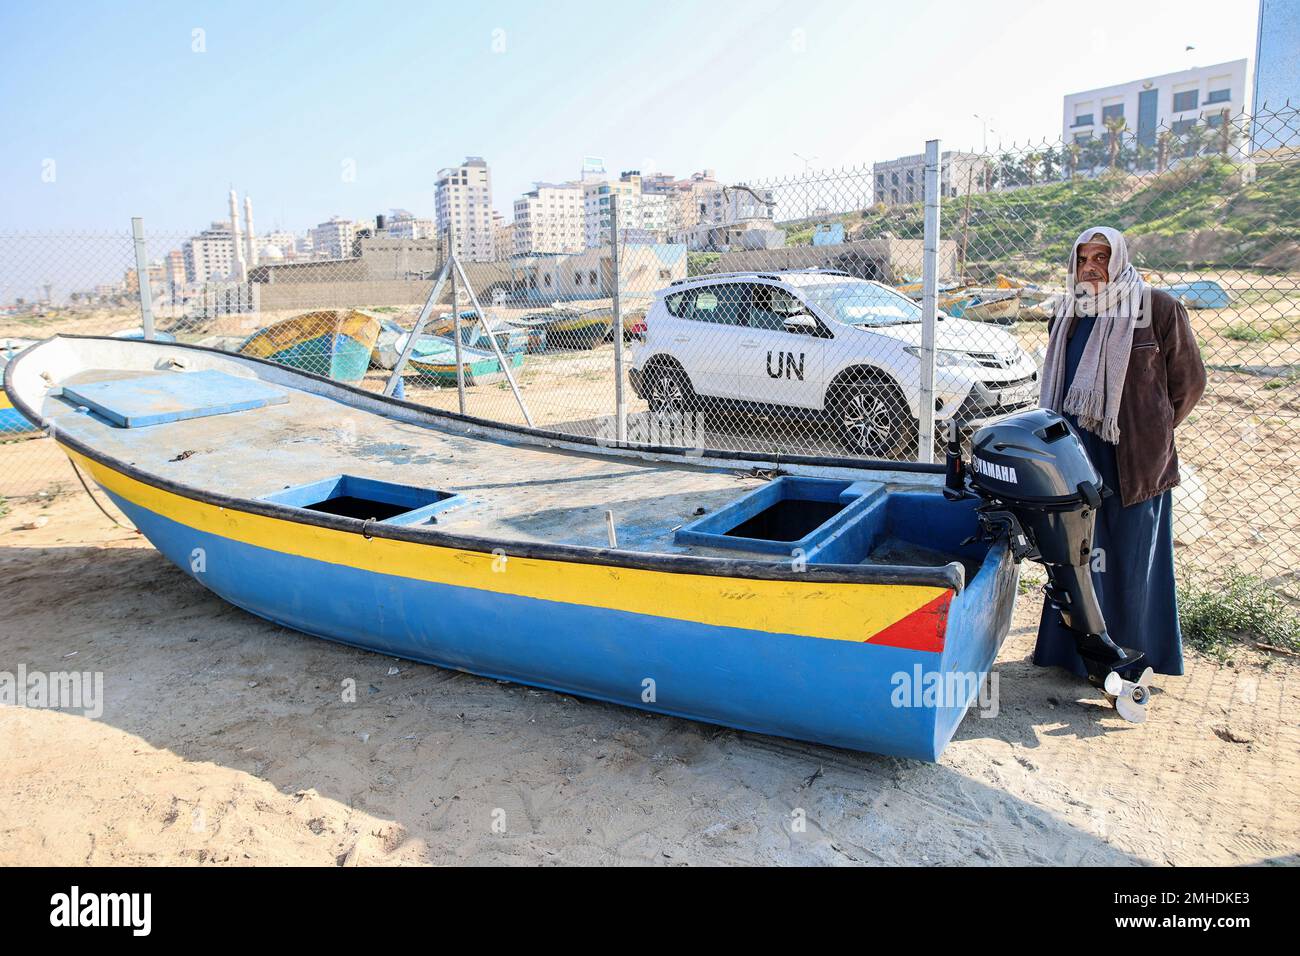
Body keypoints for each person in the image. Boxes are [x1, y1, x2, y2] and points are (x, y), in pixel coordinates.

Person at [1035, 226, 1207, 678]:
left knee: (1131, 557)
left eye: (1102, 257)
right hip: (1074, 458)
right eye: (1084, 258)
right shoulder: (1066, 311)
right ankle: (1074, 657)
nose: (1091, 267)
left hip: (1132, 460)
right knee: (1077, 555)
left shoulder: (1157, 307)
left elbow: (1189, 383)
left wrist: (1149, 429)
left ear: (1121, 259)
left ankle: (1134, 659)